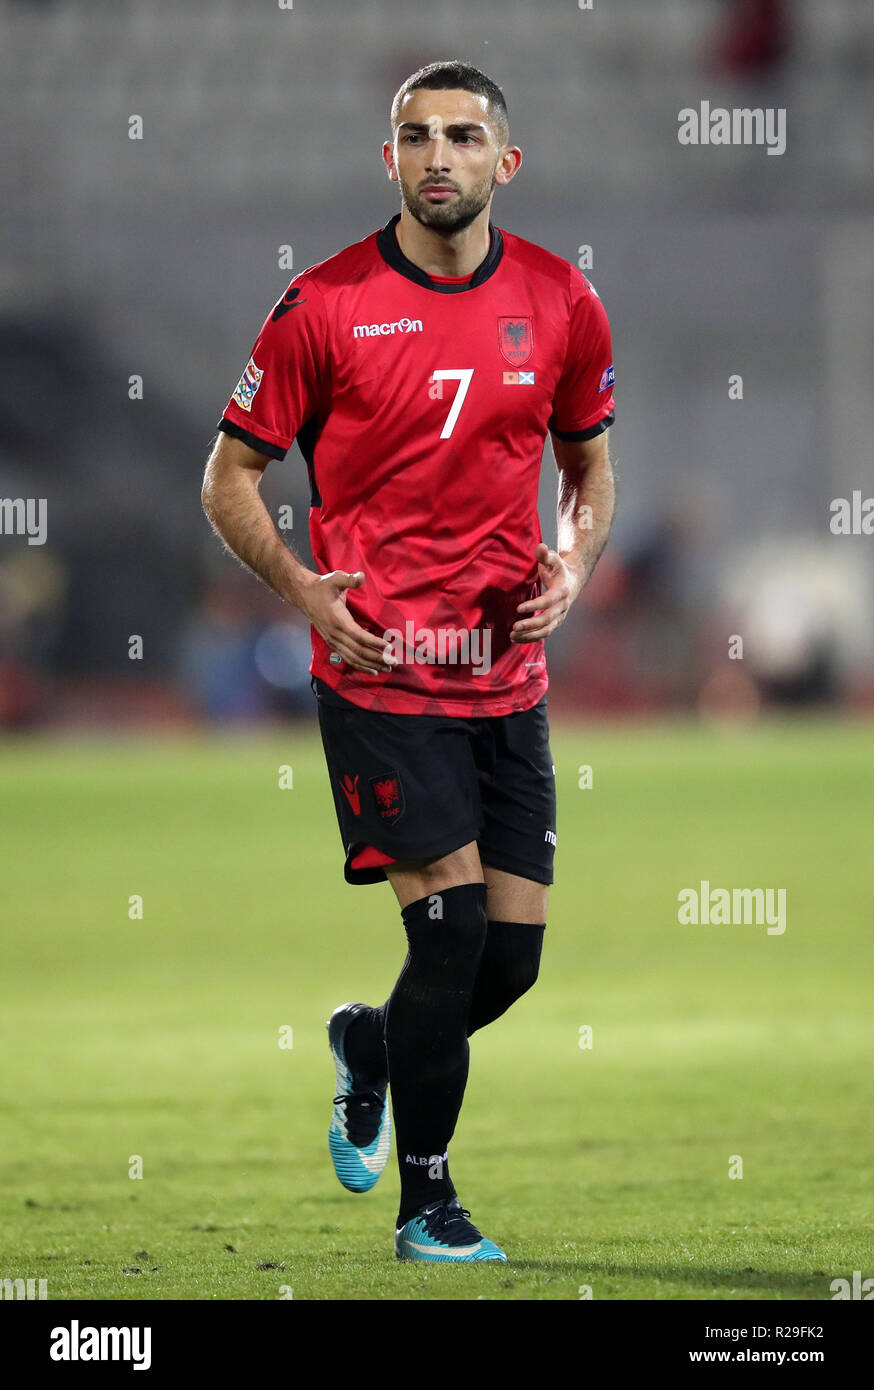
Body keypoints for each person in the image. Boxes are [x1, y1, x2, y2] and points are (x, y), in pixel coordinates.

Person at [201, 59, 616, 1263]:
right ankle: (429, 1205)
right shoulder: (319, 307)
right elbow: (230, 475)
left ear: (505, 162)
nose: (441, 156)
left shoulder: (561, 300)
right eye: (417, 136)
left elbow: (590, 467)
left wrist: (574, 561)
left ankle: (368, 1045)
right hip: (380, 671)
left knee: (510, 961)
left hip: (505, 680)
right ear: (388, 159)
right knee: (447, 934)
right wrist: (298, 586)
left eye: (465, 137)